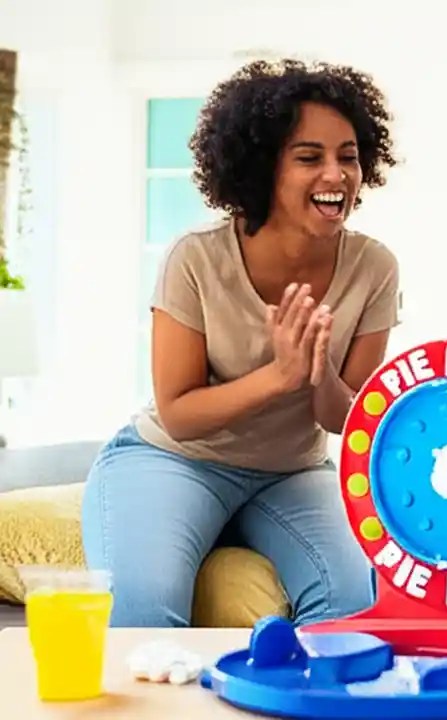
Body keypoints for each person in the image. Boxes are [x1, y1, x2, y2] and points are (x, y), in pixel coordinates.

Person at [82, 59, 401, 627]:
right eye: (309, 157)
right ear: (262, 168)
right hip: (176, 458)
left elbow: (349, 419)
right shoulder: (196, 258)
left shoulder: (373, 267)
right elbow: (179, 414)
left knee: (356, 605)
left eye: (348, 156)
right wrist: (277, 376)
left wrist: (317, 370)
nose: (337, 174)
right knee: (143, 611)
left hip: (292, 469)